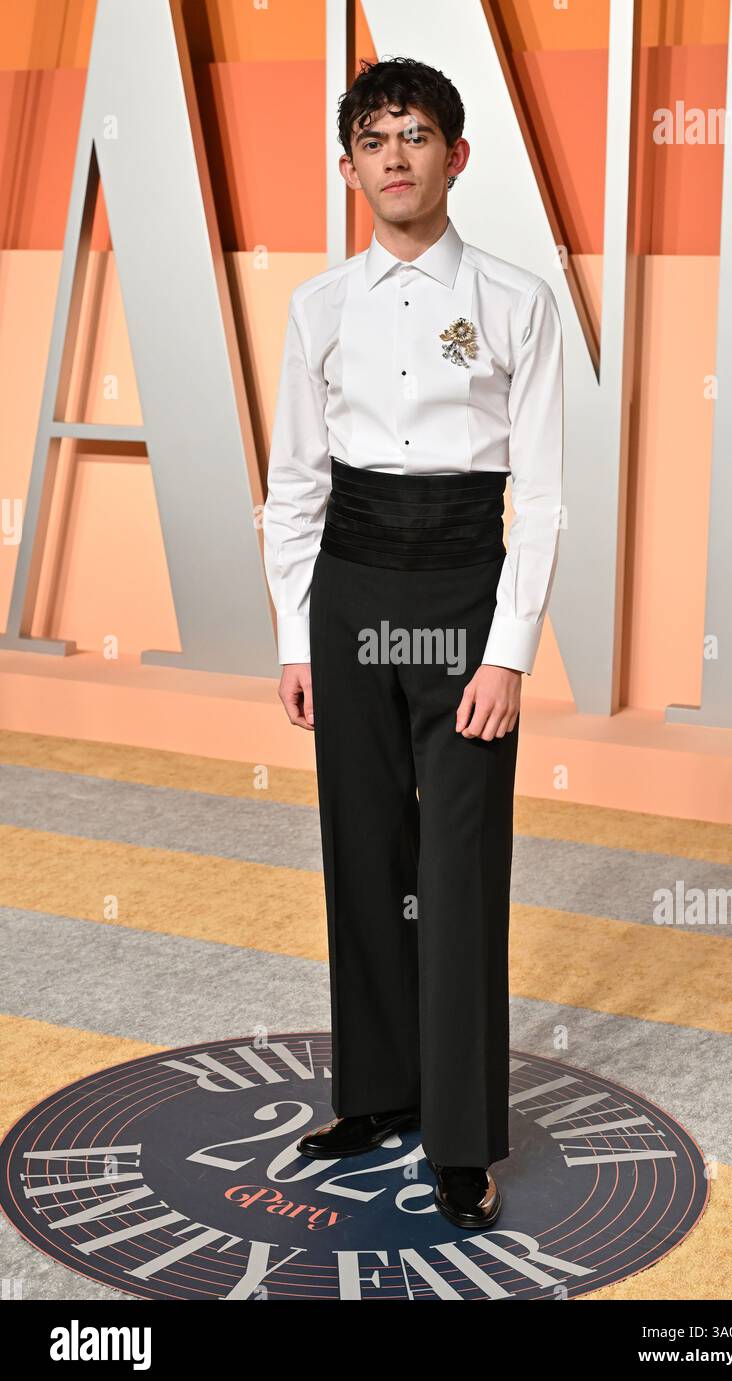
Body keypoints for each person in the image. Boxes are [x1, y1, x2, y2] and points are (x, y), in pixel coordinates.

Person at [263, 56, 563, 1229]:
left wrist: (509, 652)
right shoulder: (316, 307)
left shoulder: (513, 301)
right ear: (349, 167)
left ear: (457, 156)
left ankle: (460, 1134)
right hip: (347, 590)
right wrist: (297, 634)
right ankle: (378, 1093)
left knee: (457, 871)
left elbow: (535, 498)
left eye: (417, 134)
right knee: (362, 853)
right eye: (375, 138)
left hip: (462, 595)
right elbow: (293, 483)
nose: (395, 155)